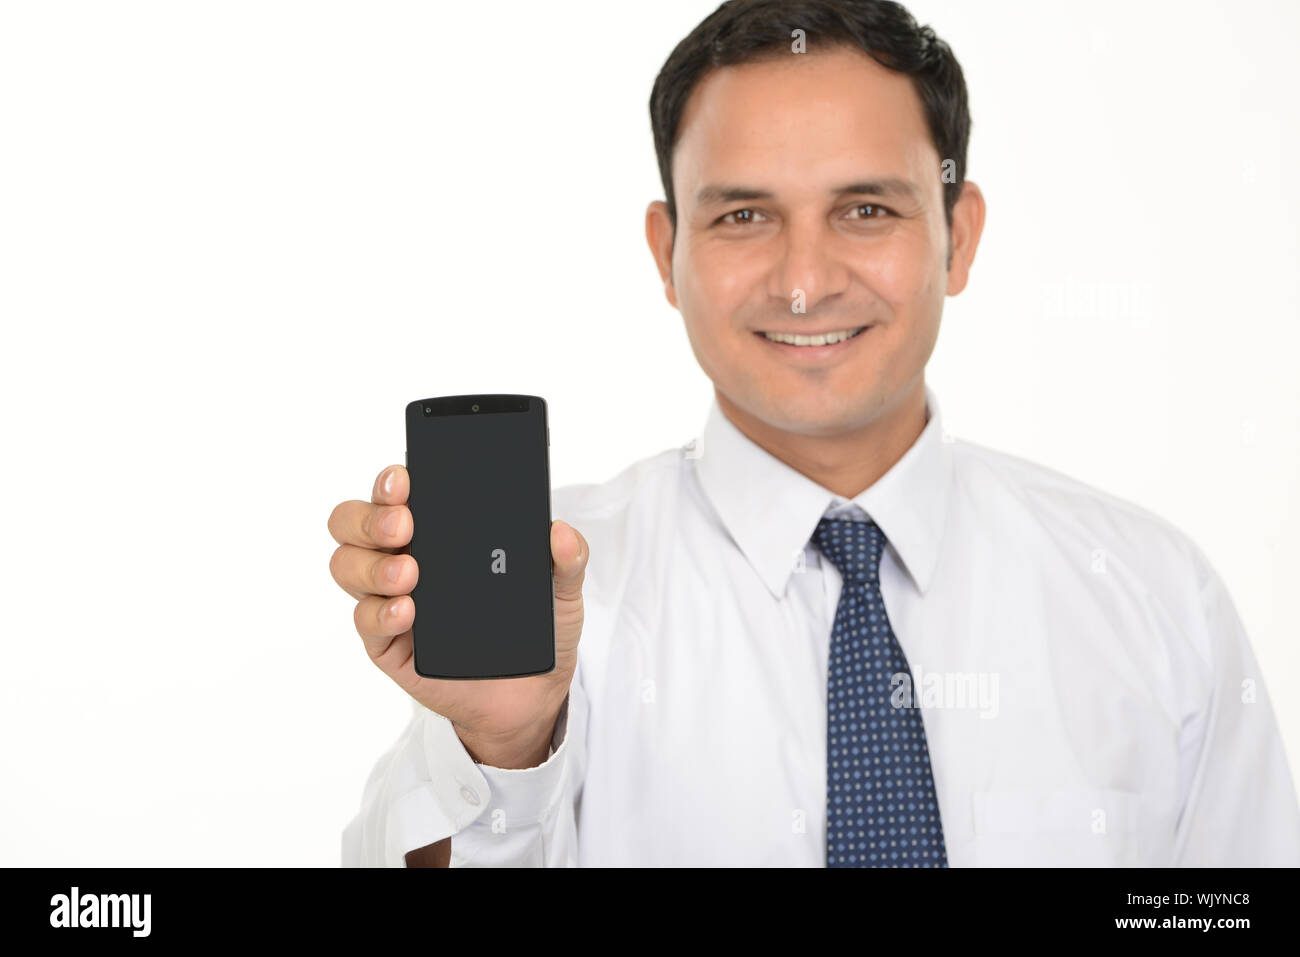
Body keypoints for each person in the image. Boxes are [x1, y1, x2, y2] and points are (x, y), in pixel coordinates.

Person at [330, 0, 1300, 866]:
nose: (803, 281)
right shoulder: (552, 596)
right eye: (744, 215)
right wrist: (505, 751)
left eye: (866, 209)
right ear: (667, 254)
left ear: (957, 238)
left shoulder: (1150, 596)